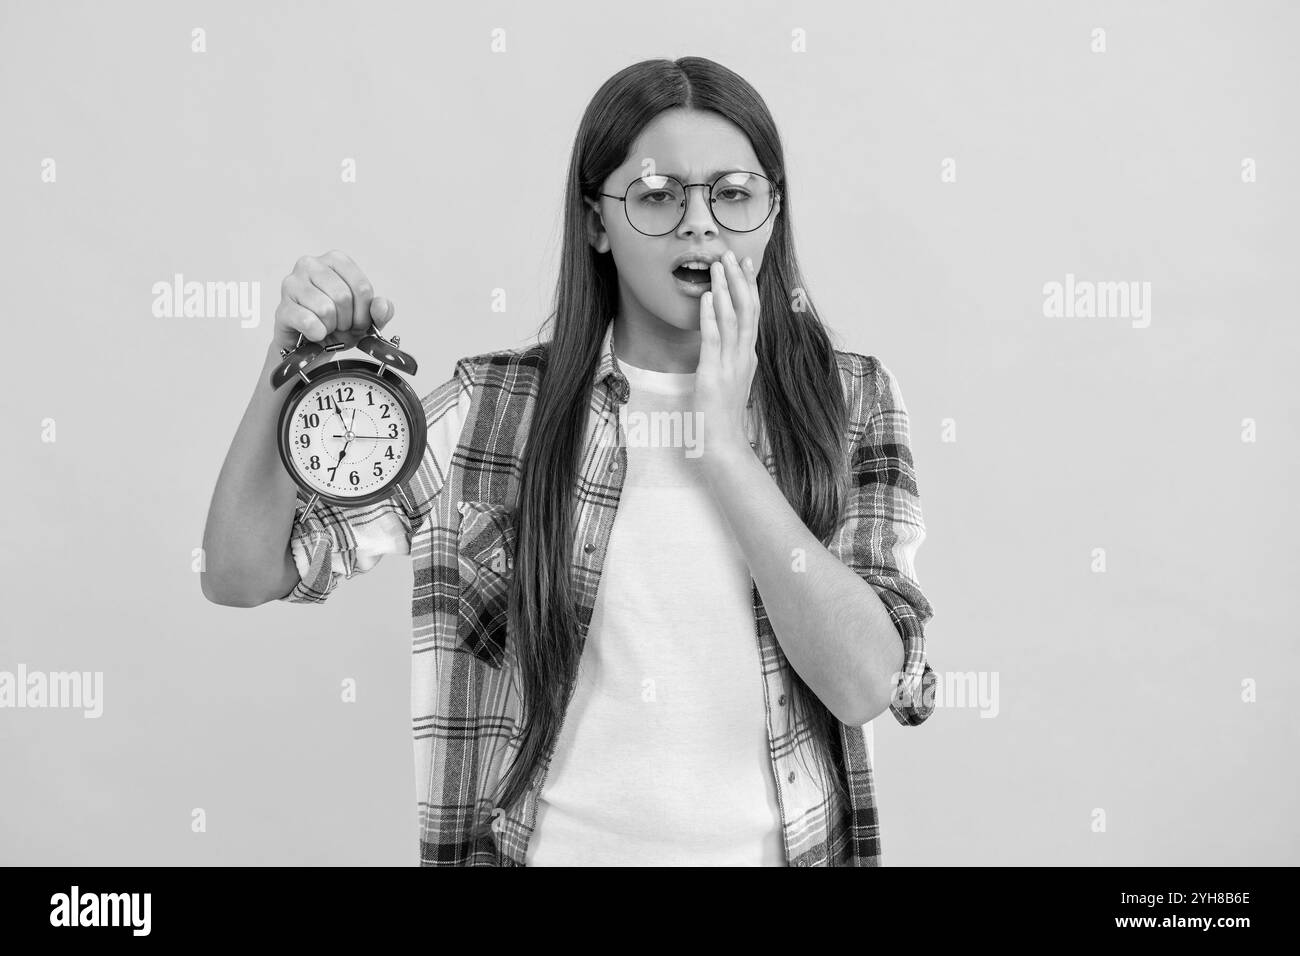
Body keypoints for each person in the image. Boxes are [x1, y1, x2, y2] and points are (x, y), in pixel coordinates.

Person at [201, 55, 937, 867]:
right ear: (597, 221)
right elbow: (239, 573)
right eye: (657, 196)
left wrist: (724, 448)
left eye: (733, 193)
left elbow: (868, 682)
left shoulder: (852, 399)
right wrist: (289, 368)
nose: (701, 224)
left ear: (771, 212)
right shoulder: (493, 409)